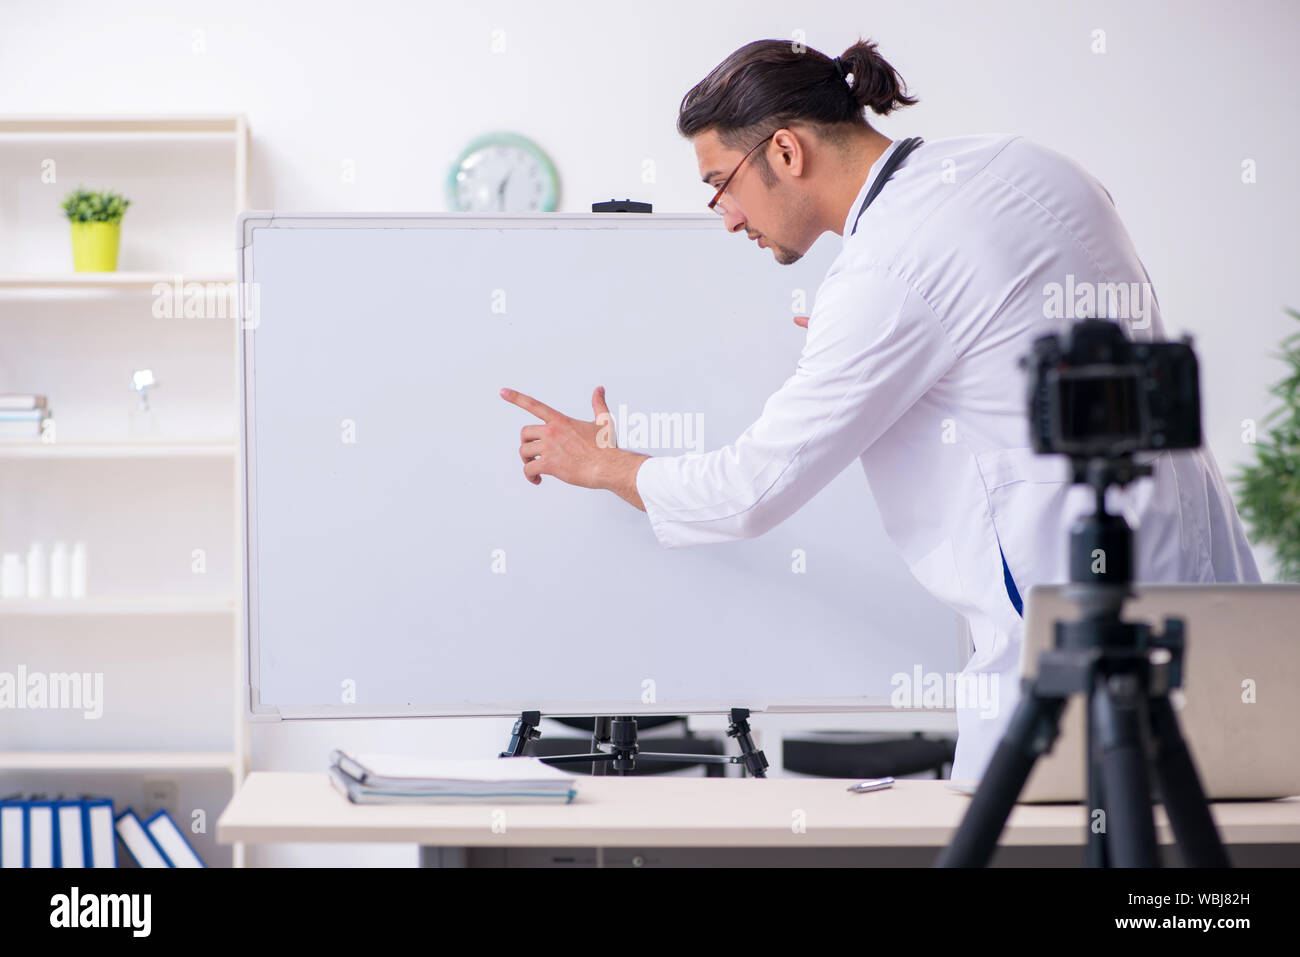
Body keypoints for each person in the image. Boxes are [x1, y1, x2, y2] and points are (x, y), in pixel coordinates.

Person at [499, 38, 1261, 782]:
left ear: (786, 152)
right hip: (1219, 622)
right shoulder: (1024, 163)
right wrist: (895, 351)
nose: (725, 217)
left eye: (720, 183)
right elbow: (1026, 342)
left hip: (1075, 673)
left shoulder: (888, 268)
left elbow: (749, 492)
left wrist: (602, 464)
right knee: (1198, 898)